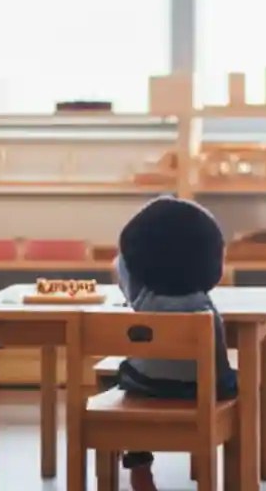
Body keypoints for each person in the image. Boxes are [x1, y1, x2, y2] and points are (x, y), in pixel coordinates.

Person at [110, 196, 237, 491]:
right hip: (205, 391)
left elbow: (123, 268)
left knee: (120, 384)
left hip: (145, 385)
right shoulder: (205, 310)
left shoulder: (140, 302)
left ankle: (139, 464)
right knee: (235, 379)